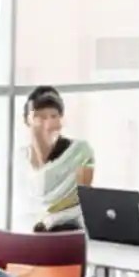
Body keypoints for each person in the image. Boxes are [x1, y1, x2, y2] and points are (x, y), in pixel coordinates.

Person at [13, 86, 95, 233]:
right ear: (27, 120)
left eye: (54, 116)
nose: (48, 124)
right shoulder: (20, 158)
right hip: (28, 232)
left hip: (69, 229)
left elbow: (82, 201)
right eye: (40, 117)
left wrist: (51, 220)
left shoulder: (79, 152)